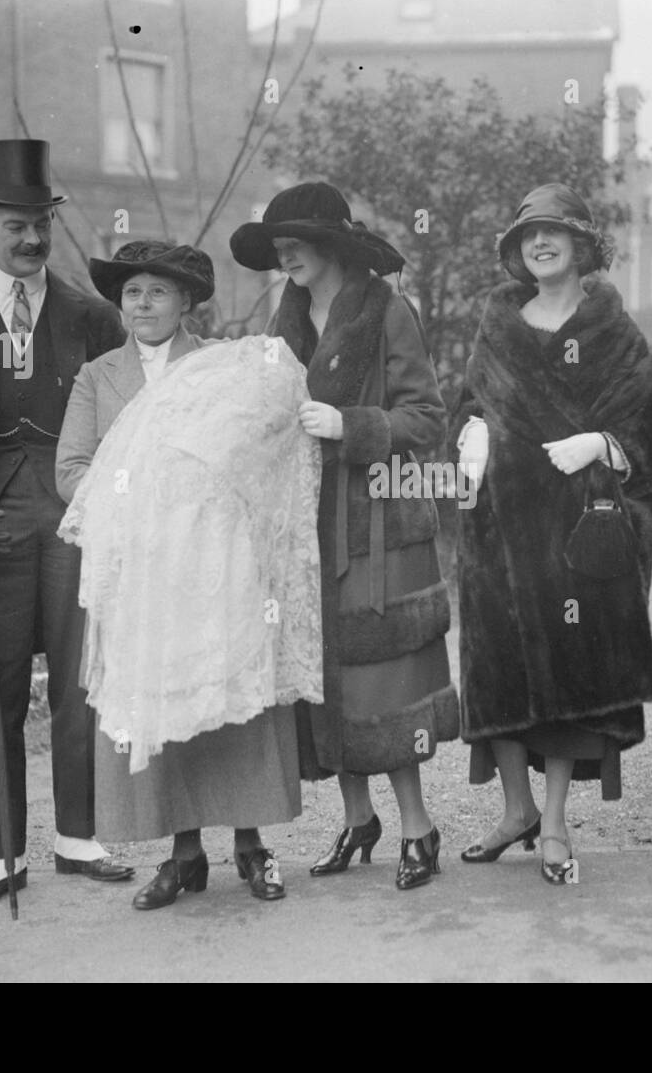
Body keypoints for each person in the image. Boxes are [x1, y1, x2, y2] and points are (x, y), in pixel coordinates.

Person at [56, 239, 319, 907]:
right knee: (165, 701)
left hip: (215, 559)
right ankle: (184, 852)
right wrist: (130, 502)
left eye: (157, 292)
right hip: (142, 567)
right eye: (132, 293)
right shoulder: (98, 377)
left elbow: (262, 449)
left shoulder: (221, 367)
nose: (142, 304)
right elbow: (71, 469)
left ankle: (253, 845)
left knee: (232, 696)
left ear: (185, 302)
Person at [230, 181, 459, 891]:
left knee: (382, 682)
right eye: (278, 246)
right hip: (306, 522)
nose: (284, 255)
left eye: (296, 242)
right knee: (322, 679)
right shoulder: (284, 317)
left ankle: (419, 827)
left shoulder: (389, 311)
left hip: (378, 526)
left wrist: (353, 426)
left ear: (332, 244)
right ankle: (360, 821)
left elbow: (426, 417)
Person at [0, 140, 132, 913]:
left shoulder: (93, 316)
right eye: (15, 225)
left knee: (80, 682)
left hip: (75, 514)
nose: (31, 239)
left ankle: (79, 837)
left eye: (41, 223)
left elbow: (127, 420)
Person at [452, 183, 652, 883]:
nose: (539, 245)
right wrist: (473, 431)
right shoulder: (497, 325)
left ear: (580, 246)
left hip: (576, 527)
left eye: (554, 234)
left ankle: (555, 819)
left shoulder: (615, 332)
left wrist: (601, 442)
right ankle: (515, 810)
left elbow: (643, 431)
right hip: (499, 528)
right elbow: (467, 400)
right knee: (500, 671)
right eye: (528, 237)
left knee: (572, 671)